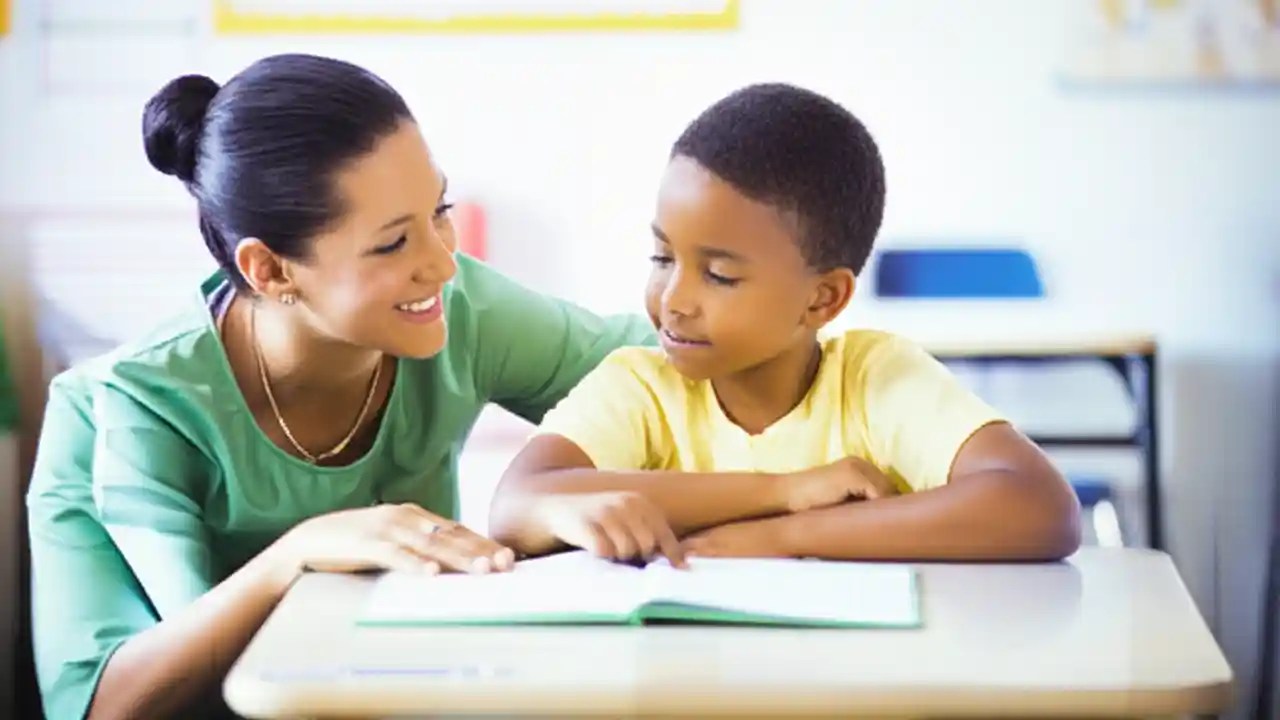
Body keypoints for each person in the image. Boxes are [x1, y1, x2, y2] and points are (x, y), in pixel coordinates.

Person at [26, 53, 653, 720]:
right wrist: (295, 556)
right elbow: (105, 706)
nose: (442, 263)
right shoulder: (125, 410)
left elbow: (676, 366)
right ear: (269, 269)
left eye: (438, 211)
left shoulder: (459, 307)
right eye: (392, 245)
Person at [489, 83, 1081, 565]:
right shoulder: (641, 386)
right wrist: (780, 493)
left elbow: (1039, 506)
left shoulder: (874, 380)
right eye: (663, 257)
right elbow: (518, 503)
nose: (674, 299)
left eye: (718, 274)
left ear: (822, 299)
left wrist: (783, 536)